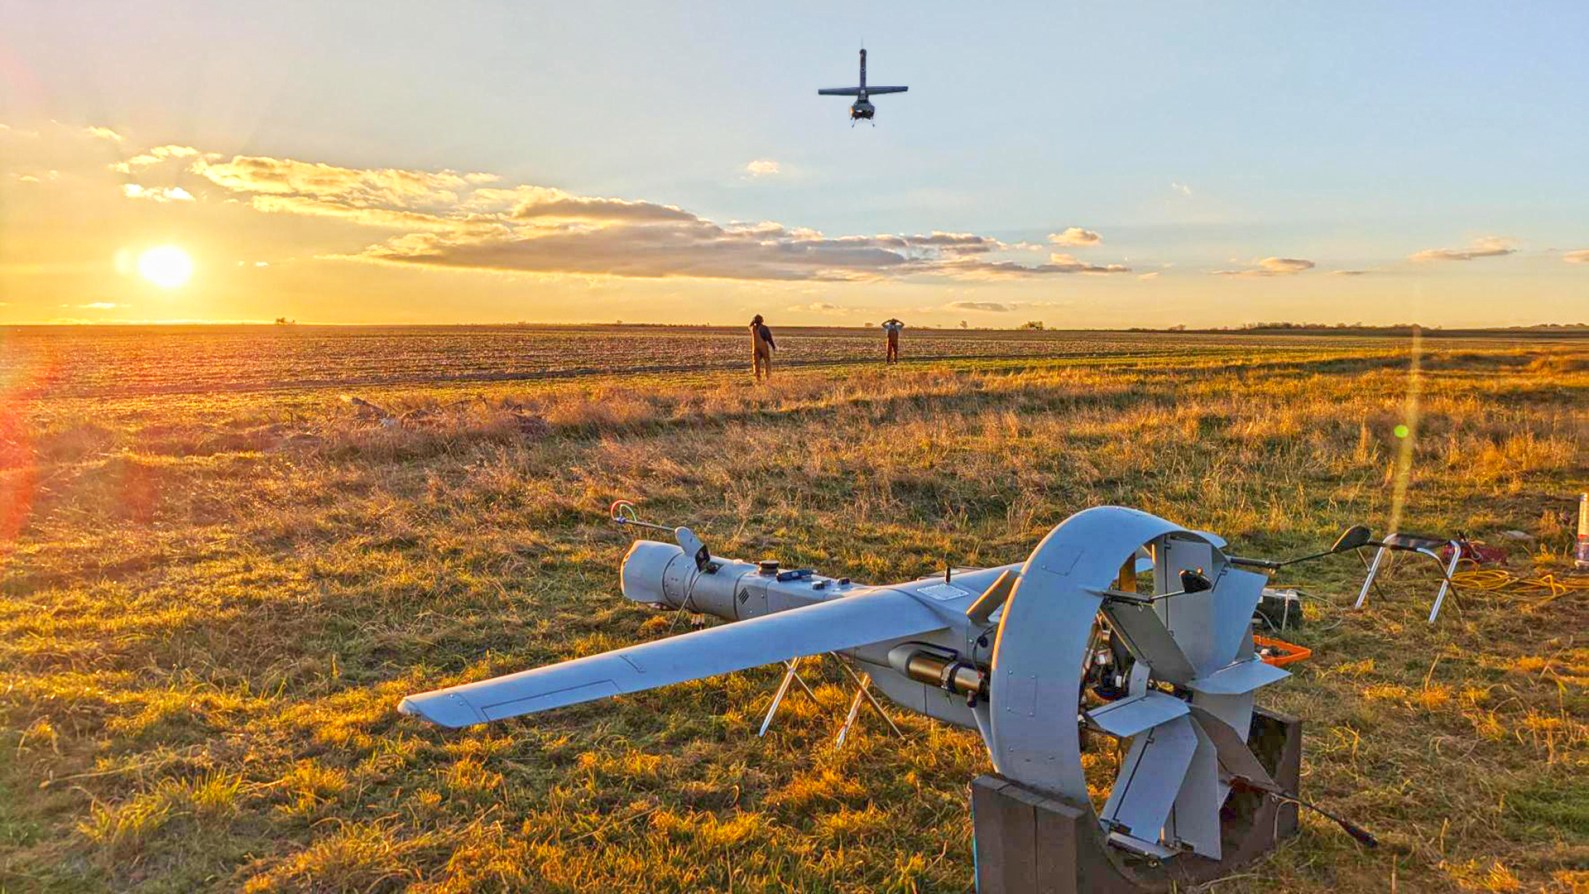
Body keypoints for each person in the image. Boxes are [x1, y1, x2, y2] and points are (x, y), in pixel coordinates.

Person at [749, 314, 776, 381]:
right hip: (763, 347)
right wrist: (773, 346)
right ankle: (768, 376)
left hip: (755, 348)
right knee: (767, 361)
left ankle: (758, 378)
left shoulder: (752, 328)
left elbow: (750, 325)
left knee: (756, 363)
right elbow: (769, 338)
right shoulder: (764, 328)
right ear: (761, 321)